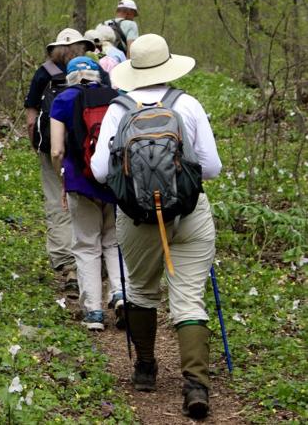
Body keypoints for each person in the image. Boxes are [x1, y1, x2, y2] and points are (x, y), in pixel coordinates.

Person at [91, 34, 222, 418]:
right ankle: (195, 385)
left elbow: (99, 171)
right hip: (189, 214)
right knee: (189, 298)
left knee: (141, 290)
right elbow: (211, 167)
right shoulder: (188, 104)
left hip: (138, 219)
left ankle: (146, 369)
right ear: (168, 66)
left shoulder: (118, 110)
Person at [49, 57, 127, 331]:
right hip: (113, 182)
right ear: (97, 75)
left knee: (86, 245)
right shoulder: (115, 97)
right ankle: (120, 293)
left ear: (70, 77)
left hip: (80, 181)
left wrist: (63, 179)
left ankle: (93, 311)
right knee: (114, 241)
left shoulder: (63, 100)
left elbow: (57, 150)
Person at [24, 28, 92, 292]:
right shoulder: (92, 70)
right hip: (87, 148)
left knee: (57, 200)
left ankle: (68, 264)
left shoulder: (44, 72)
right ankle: (92, 258)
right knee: (87, 200)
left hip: (52, 147)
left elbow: (32, 116)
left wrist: (36, 142)